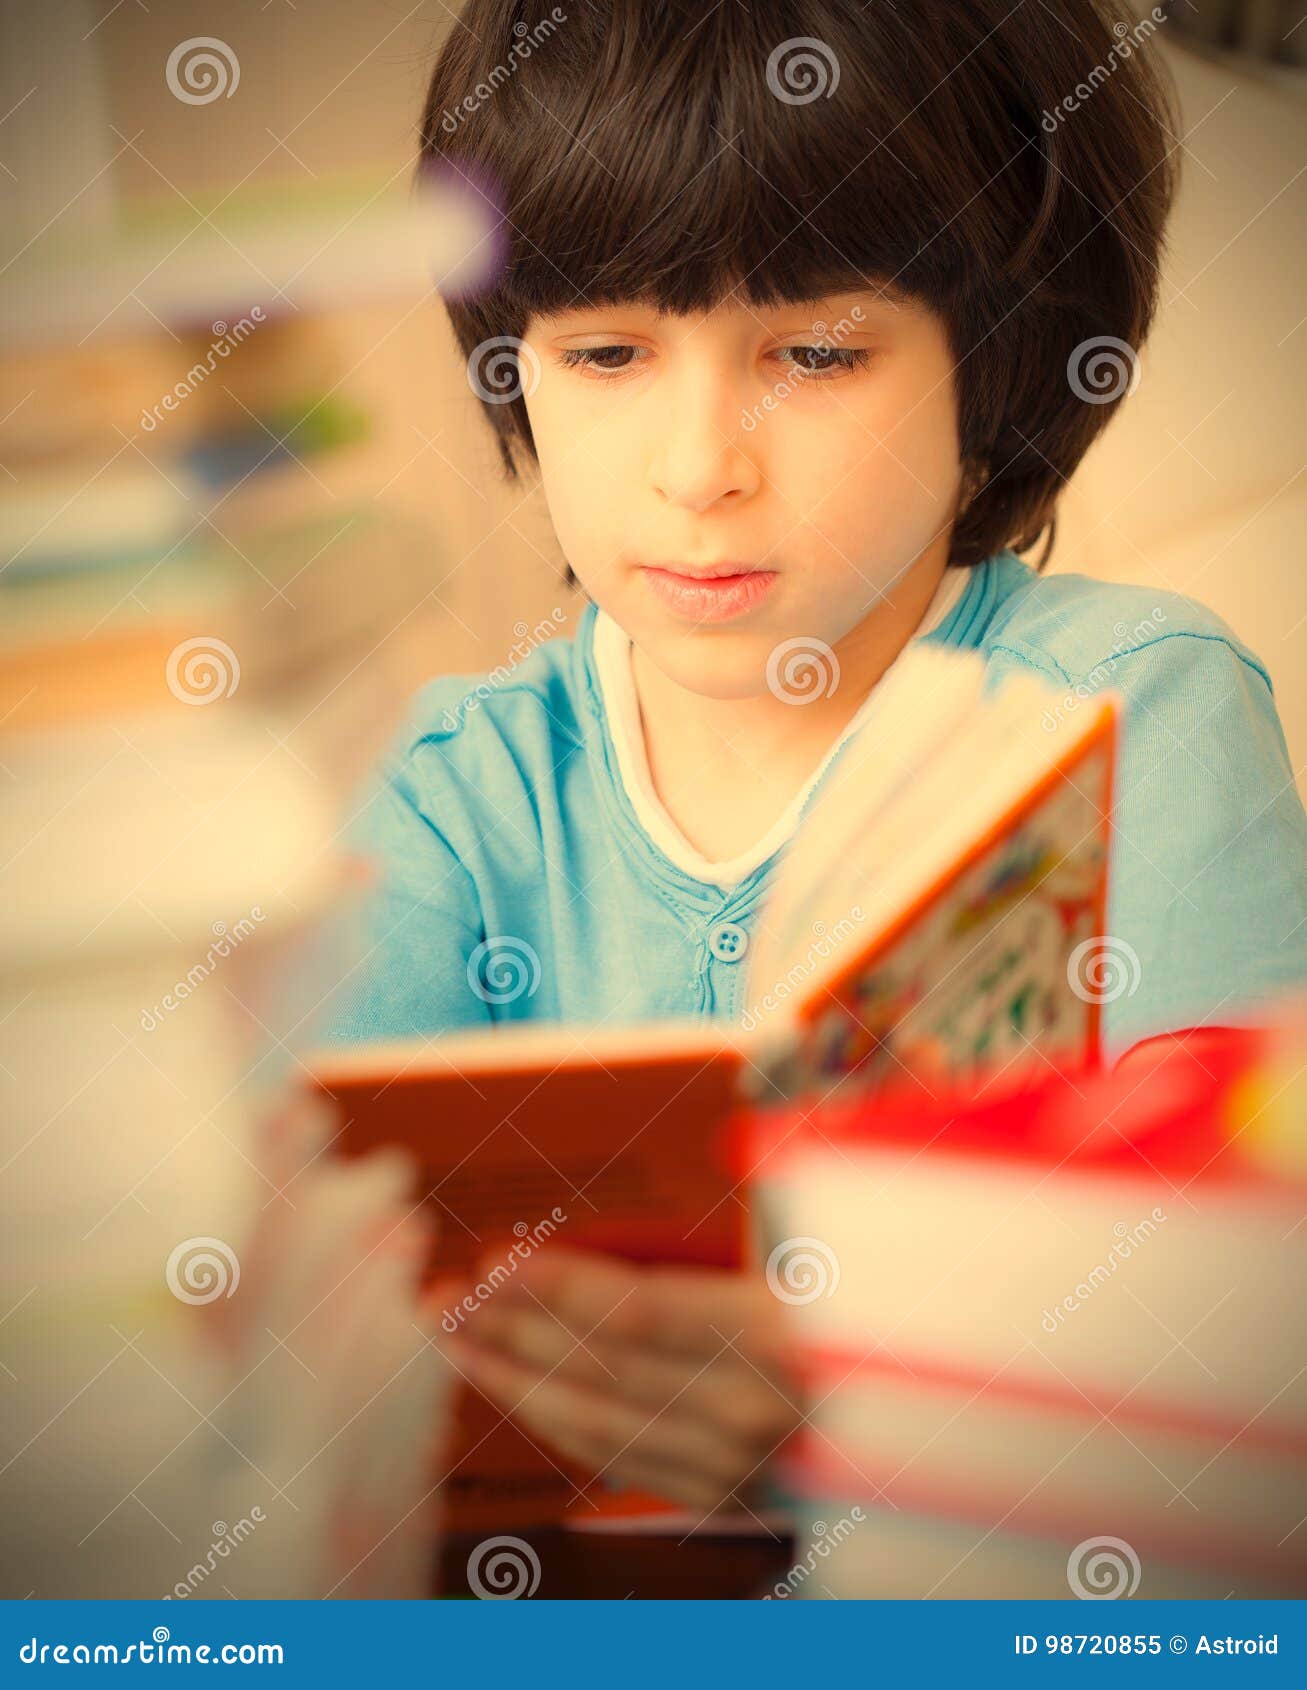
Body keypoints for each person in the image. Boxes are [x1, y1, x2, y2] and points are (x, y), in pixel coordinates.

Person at [315, 0, 1307, 1513]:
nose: (700, 464)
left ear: (997, 369)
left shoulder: (1136, 713)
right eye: (604, 353)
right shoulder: (456, 790)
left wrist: (849, 1415)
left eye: (820, 352)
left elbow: (1243, 1318)